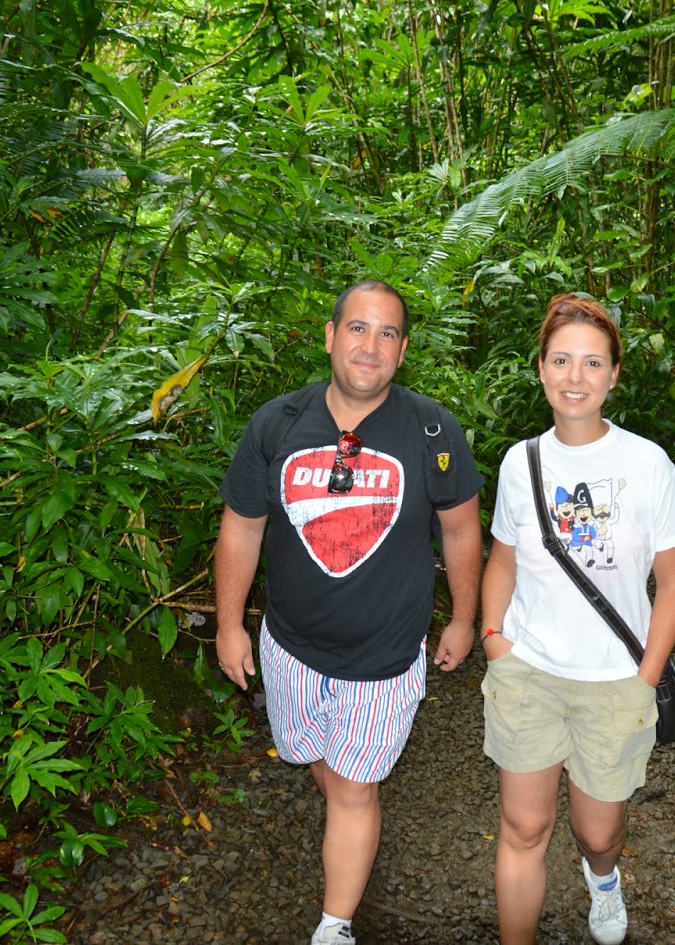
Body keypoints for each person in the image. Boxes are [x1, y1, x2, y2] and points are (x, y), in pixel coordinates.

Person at [214, 281, 484, 945]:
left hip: (384, 656)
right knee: (320, 764)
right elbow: (242, 528)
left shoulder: (431, 429)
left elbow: (460, 531)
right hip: (289, 648)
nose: (371, 345)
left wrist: (462, 618)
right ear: (330, 336)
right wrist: (228, 624)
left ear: (404, 350)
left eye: (388, 333)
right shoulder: (277, 424)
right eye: (358, 328)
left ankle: (335, 925)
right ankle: (347, 810)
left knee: (355, 790)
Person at [478, 293, 675, 945]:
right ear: (541, 368)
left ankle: (603, 877)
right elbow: (502, 560)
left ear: (614, 375)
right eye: (562, 360)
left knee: (598, 832)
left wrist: (645, 677)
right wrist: (494, 640)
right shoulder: (520, 463)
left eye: (593, 362)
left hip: (615, 679)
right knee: (523, 828)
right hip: (529, 671)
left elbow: (673, 581)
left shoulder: (647, 463)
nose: (576, 376)